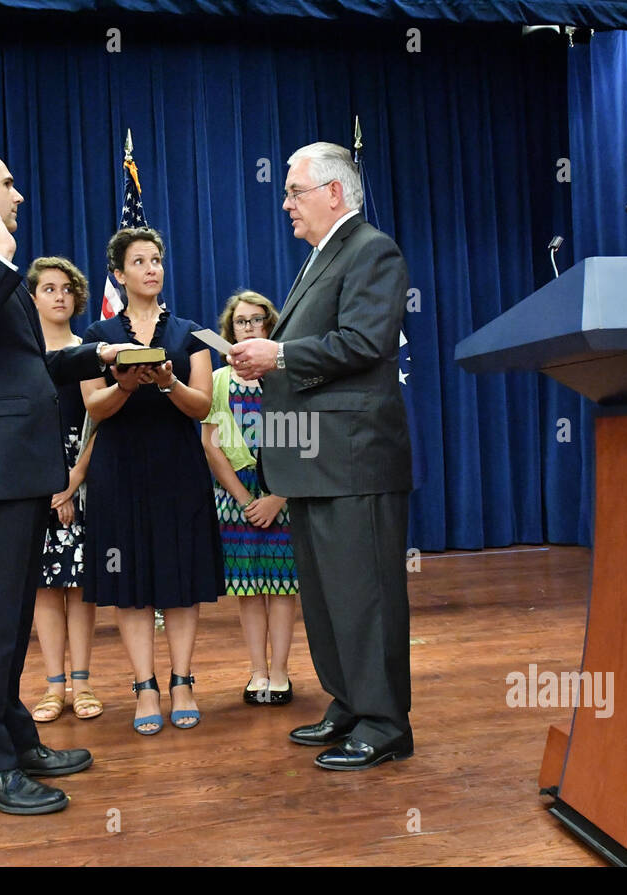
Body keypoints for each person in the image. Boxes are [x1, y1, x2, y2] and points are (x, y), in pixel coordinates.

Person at [0, 148, 137, 813]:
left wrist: (94, 355)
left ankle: (15, 741)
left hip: (17, 466)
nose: (18, 195)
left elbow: (19, 372)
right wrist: (2, 253)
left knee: (12, 617)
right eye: (8, 184)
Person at [230, 142, 414, 771]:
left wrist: (276, 356)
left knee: (365, 595)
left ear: (333, 192)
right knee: (329, 597)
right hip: (314, 461)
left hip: (355, 460)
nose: (285, 203)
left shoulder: (372, 250)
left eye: (293, 191)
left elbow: (364, 340)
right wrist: (267, 363)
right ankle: (350, 701)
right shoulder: (321, 258)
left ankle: (386, 720)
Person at [80, 226, 224, 735]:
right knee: (130, 582)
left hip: (177, 466)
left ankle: (182, 680)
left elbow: (203, 405)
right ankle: (144, 686)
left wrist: (169, 384)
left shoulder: (192, 332)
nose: (151, 268)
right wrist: (122, 386)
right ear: (118, 274)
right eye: (139, 261)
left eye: (157, 259)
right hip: (119, 468)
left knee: (181, 579)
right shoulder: (96, 338)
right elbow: (92, 407)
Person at [201, 291, 298, 706]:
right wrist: (243, 499)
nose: (249, 326)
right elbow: (211, 445)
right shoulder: (220, 381)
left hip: (283, 495)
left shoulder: (284, 378)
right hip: (236, 497)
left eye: (257, 320)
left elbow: (302, 443)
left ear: (269, 326)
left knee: (281, 587)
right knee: (248, 589)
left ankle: (280, 673)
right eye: (242, 321)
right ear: (230, 330)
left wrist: (277, 496)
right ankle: (257, 671)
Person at [25, 256, 102, 723]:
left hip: (84, 479)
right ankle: (54, 686)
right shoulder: (23, 356)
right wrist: (51, 484)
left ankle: (84, 682)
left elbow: (99, 421)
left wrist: (74, 480)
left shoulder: (88, 350)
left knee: (79, 587)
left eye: (67, 289)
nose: (59, 296)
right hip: (34, 482)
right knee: (44, 588)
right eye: (49, 288)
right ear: (32, 298)